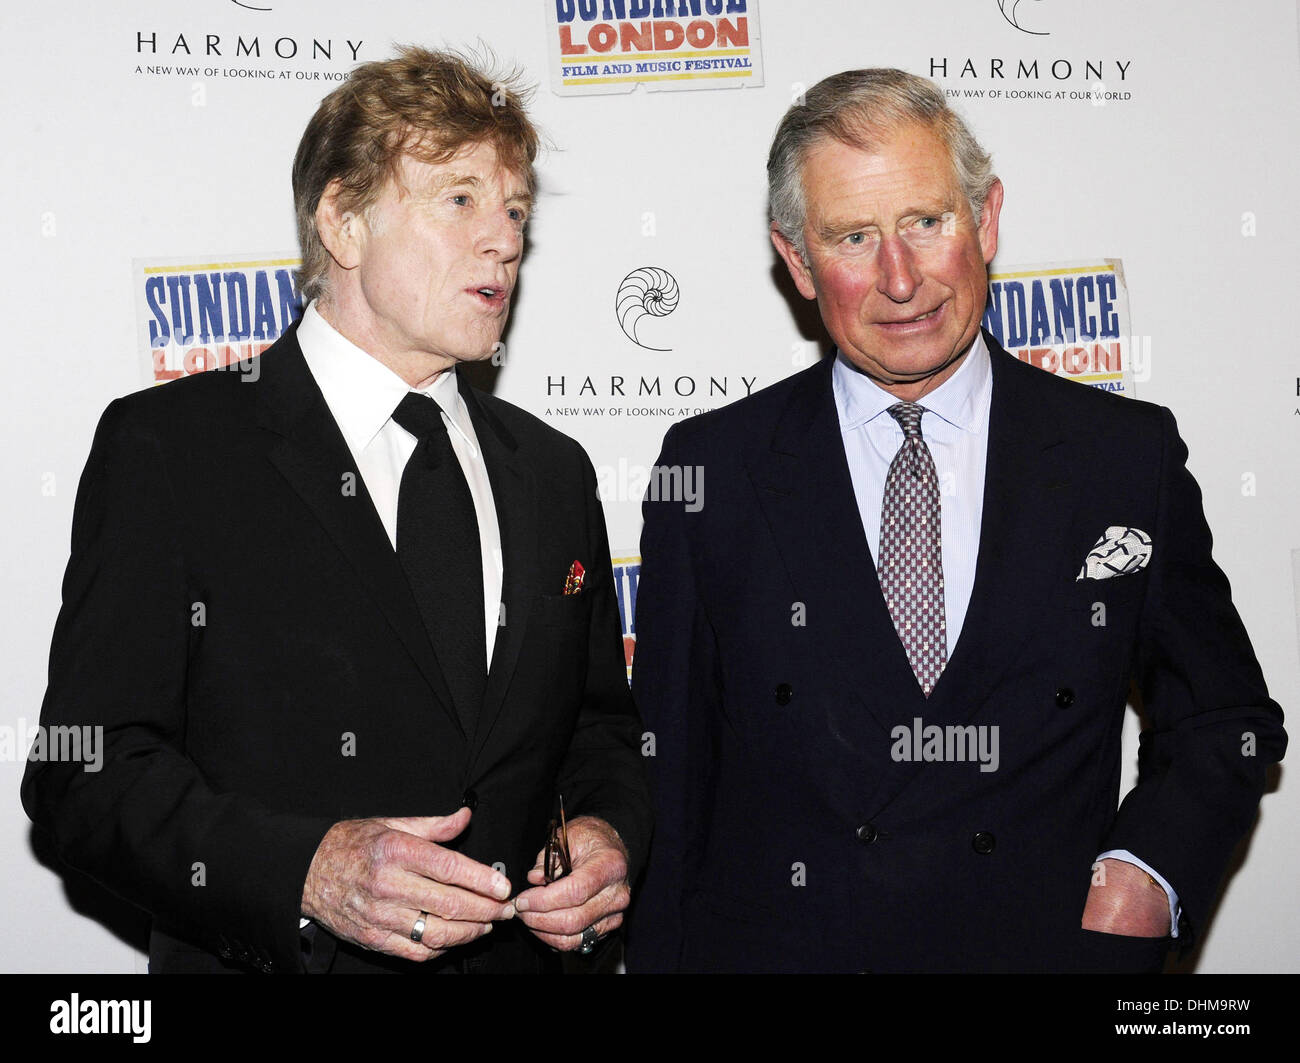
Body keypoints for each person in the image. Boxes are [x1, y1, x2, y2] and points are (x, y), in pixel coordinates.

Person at [625, 68, 1285, 973]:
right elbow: (668, 775)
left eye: (927, 223)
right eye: (854, 236)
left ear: (987, 219)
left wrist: (1147, 874)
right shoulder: (712, 470)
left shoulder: (1120, 458)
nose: (901, 280)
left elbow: (1226, 718)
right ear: (798, 261)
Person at [22, 46, 650, 974]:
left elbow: (598, 731)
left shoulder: (553, 473)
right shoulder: (175, 449)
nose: (505, 238)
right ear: (343, 222)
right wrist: (305, 873)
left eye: (515, 208)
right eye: (462, 199)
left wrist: (604, 830)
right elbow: (84, 770)